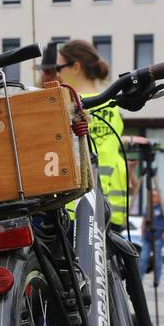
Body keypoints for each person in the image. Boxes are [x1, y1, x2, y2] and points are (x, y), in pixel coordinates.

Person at [49, 39, 133, 233]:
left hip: (74, 205)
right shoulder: (112, 105)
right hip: (113, 205)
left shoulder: (64, 106)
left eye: (59, 67)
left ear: (75, 67)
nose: (57, 73)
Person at [139, 188, 164, 288]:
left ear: (159, 196)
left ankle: (156, 281)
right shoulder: (148, 207)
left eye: (155, 195)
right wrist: (142, 231)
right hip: (148, 237)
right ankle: (139, 280)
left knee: (157, 259)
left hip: (158, 237)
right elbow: (145, 219)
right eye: (152, 196)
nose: (153, 198)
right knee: (143, 258)